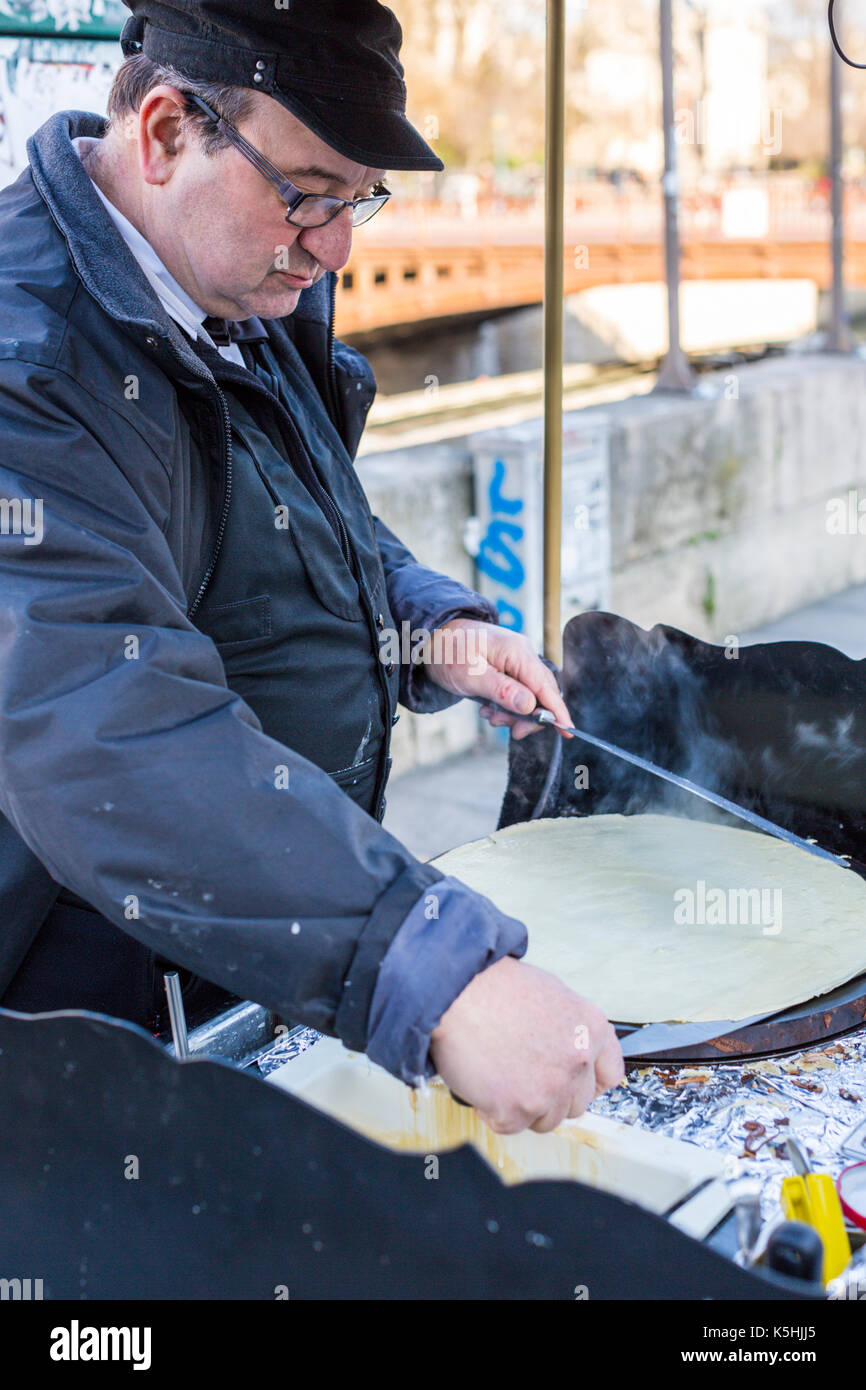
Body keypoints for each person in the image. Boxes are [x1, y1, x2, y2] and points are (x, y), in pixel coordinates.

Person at [0, 0, 622, 1133]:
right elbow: (96, 717)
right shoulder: (24, 362)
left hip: (257, 976)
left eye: (357, 201)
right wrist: (425, 967)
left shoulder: (242, 278)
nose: (339, 245)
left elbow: (300, 520)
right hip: (84, 1028)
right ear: (164, 132)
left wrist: (424, 624)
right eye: (308, 194)